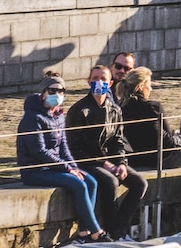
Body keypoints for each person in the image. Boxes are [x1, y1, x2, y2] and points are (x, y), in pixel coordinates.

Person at [15, 76, 108, 244]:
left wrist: (74, 167)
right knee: (78, 184)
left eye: (60, 91)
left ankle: (84, 231)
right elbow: (39, 151)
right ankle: (96, 232)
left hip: (55, 168)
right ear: (43, 94)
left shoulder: (58, 116)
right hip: (35, 170)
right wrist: (67, 169)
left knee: (91, 181)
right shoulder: (32, 118)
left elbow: (64, 147)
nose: (57, 94)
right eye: (52, 91)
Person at [63, 64, 151, 238]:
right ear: (88, 82)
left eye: (103, 79)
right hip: (86, 161)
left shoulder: (114, 109)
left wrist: (121, 163)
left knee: (140, 183)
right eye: (95, 79)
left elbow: (118, 141)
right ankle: (110, 229)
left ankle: (119, 228)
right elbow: (74, 148)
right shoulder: (79, 110)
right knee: (110, 182)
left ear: (110, 83)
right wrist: (105, 163)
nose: (98, 82)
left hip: (109, 161)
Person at [117, 66, 167, 175]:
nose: (151, 89)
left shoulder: (118, 107)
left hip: (135, 159)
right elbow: (168, 140)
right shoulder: (154, 107)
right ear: (140, 86)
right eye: (149, 85)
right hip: (159, 158)